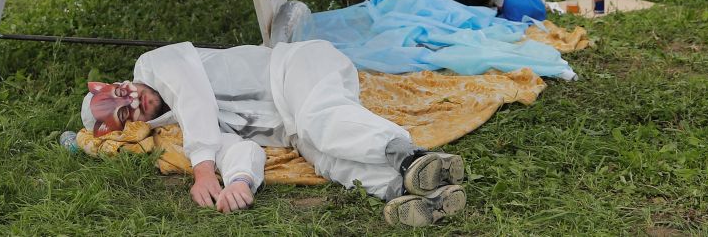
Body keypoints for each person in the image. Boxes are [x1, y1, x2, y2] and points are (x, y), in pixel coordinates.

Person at [81, 40, 467, 226]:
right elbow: (240, 148)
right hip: (291, 128)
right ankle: (417, 191)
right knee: (325, 159)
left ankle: (410, 157)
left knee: (322, 120)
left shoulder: (155, 65)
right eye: (124, 114)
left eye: (121, 95)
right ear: (130, 126)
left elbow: (193, 96)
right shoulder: (179, 128)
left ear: (118, 82)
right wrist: (239, 181)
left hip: (296, 68)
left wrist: (202, 169)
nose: (133, 103)